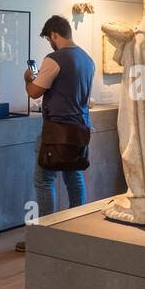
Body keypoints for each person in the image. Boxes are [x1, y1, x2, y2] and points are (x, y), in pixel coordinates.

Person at [16, 15, 95, 252]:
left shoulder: (54, 59)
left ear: (54, 34)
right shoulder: (87, 59)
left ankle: (44, 237)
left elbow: (34, 92)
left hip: (56, 131)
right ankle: (77, 231)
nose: (50, 43)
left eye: (49, 38)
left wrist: (28, 79)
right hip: (80, 128)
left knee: (44, 180)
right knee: (74, 177)